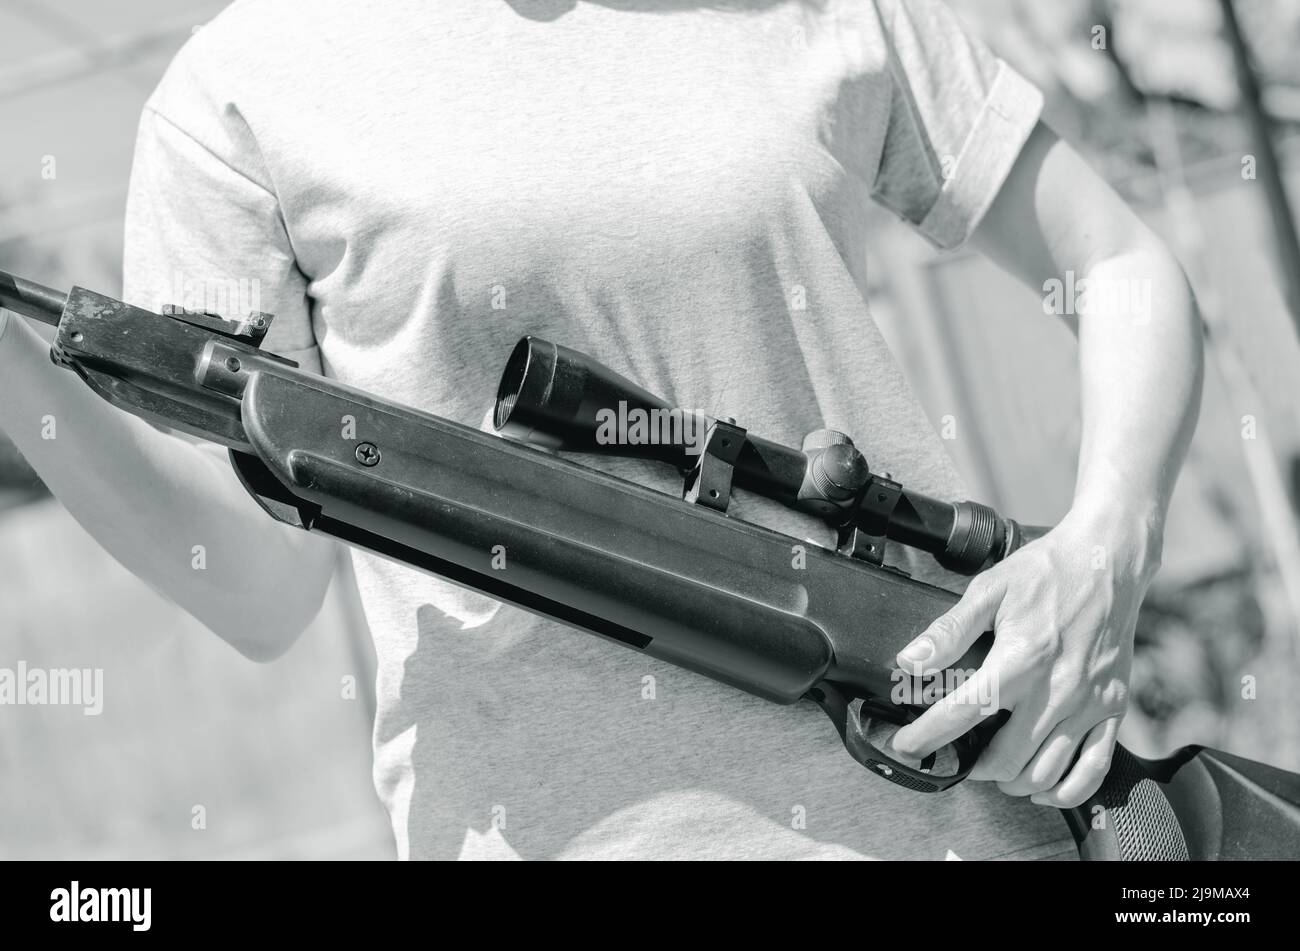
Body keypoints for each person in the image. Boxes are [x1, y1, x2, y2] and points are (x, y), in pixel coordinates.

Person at [0, 0, 1202, 860]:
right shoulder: (238, 93)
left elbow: (1120, 263)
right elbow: (255, 584)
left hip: (968, 811)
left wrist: (1104, 545)